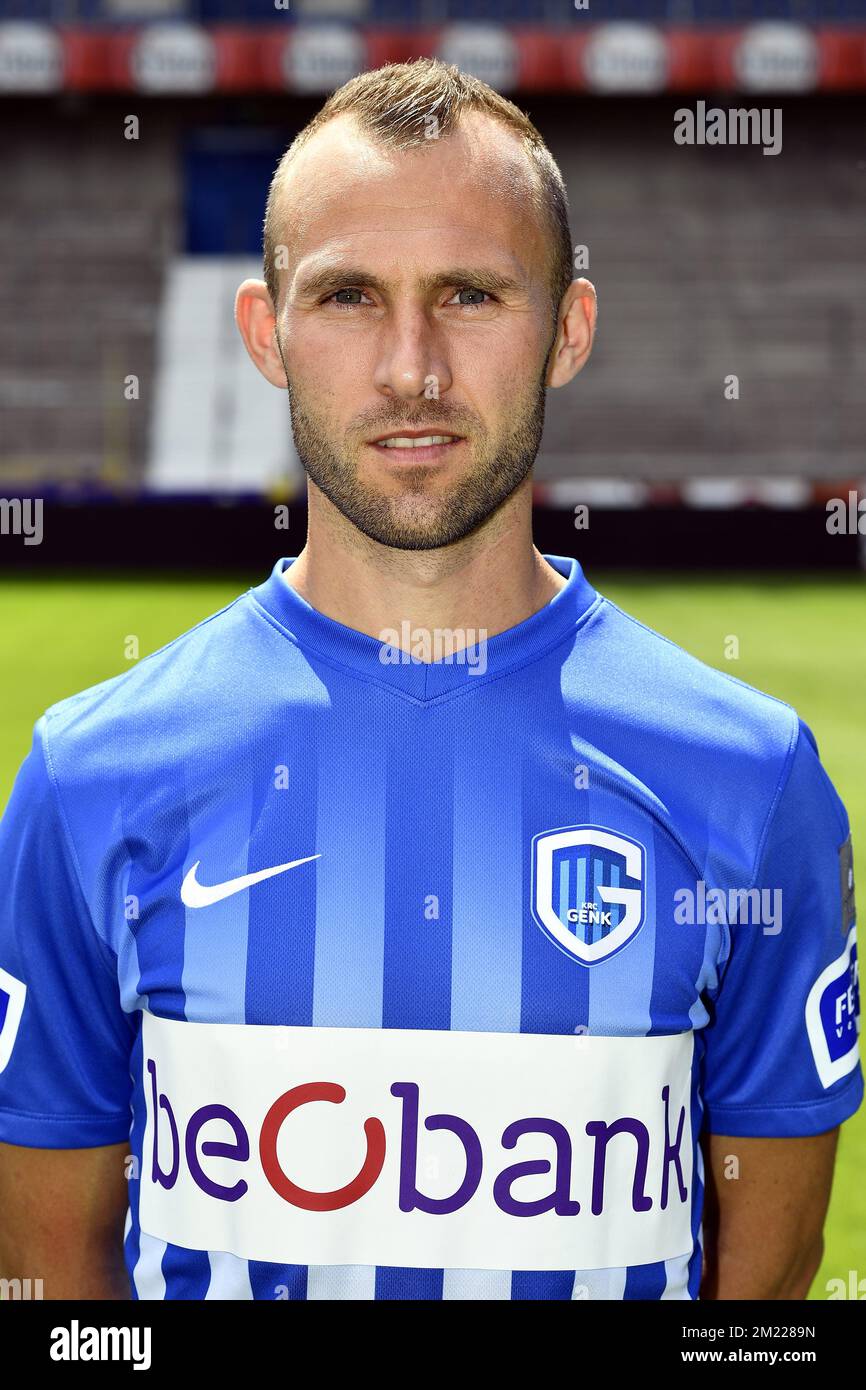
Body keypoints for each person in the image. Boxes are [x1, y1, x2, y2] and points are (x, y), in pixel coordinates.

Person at [0, 59, 860, 1301]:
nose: (411, 368)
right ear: (265, 334)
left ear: (567, 329)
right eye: (348, 296)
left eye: (469, 294)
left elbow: (766, 1285)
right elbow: (50, 1275)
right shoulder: (89, 776)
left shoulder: (749, 776)